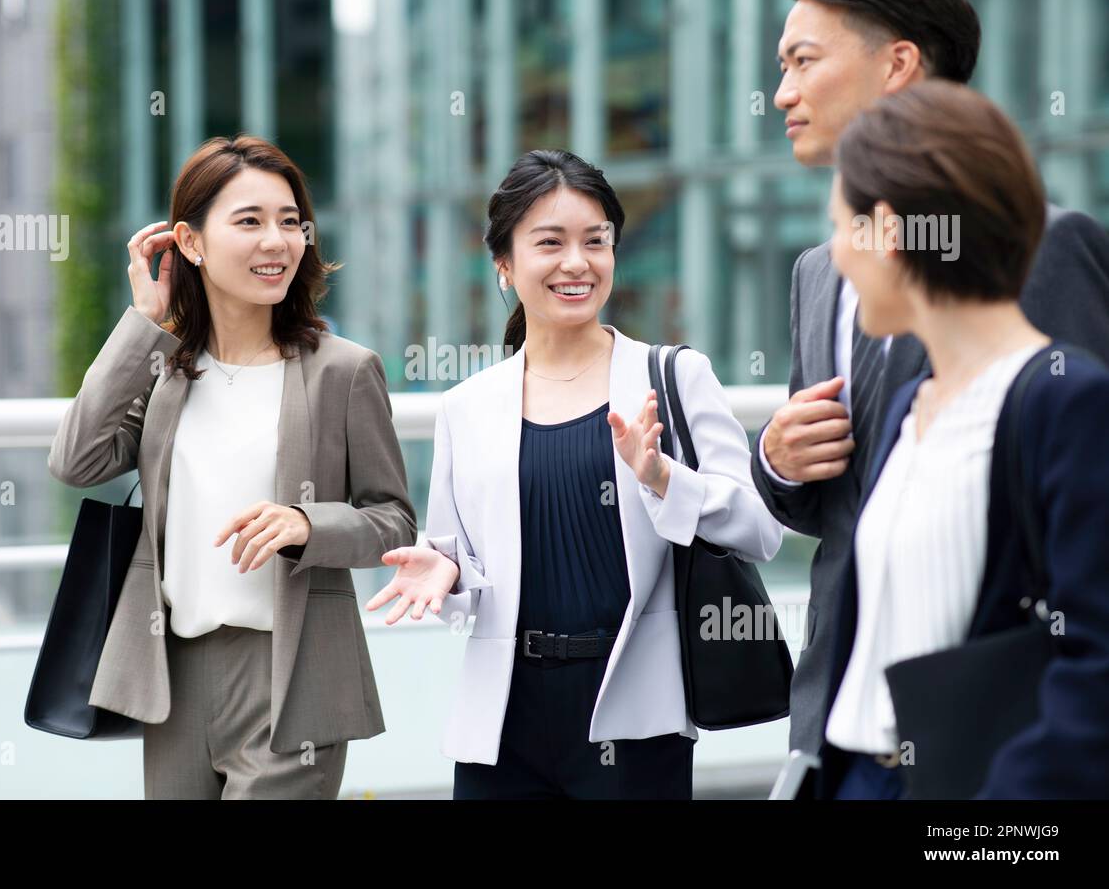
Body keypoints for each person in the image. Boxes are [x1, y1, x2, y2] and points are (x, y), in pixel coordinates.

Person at [756, 0, 1109, 758]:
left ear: (898, 65)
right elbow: (834, 507)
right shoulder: (819, 271)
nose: (781, 94)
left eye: (803, 61)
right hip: (835, 725)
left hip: (984, 744)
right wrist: (778, 460)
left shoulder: (1044, 249)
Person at [364, 149, 782, 799]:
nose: (577, 263)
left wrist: (665, 478)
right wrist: (449, 574)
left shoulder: (671, 376)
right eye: (550, 243)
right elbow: (465, 573)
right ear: (504, 265)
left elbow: (760, 531)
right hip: (503, 723)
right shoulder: (466, 408)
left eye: (596, 242)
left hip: (636, 720)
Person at [48, 135, 416, 799]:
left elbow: (393, 522)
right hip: (172, 679)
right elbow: (76, 459)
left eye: (289, 222)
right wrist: (143, 322)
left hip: (291, 680)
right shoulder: (166, 374)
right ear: (190, 243)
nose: (275, 241)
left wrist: (308, 524)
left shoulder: (343, 372)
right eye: (249, 222)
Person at [815, 80, 1109, 798]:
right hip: (860, 776)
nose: (835, 258)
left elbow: (1097, 661)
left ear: (887, 232)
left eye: (839, 228)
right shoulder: (912, 405)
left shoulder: (1066, 402)